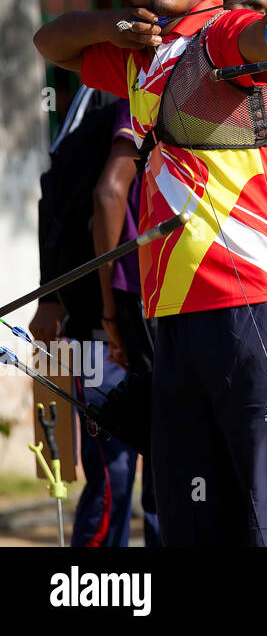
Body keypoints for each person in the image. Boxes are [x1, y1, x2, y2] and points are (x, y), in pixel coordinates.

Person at [33, 0, 267, 545]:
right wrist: (115, 29)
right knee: (195, 511)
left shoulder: (222, 31)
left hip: (254, 301)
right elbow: (50, 39)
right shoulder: (138, 57)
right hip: (174, 311)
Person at [31, 85, 160, 546]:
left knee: (168, 470)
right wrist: (52, 293)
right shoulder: (109, 89)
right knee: (112, 469)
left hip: (165, 313)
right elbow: (61, 189)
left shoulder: (200, 75)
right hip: (98, 318)